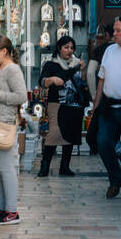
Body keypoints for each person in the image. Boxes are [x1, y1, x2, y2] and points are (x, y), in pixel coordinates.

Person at [91, 15, 121, 199]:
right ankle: (115, 179)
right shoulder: (110, 50)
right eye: (114, 30)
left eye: (118, 30)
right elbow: (101, 79)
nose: (114, 33)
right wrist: (96, 105)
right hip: (108, 105)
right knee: (103, 144)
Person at [0, 35, 27, 225]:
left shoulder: (12, 70)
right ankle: (2, 208)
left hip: (3, 123)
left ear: (4, 51)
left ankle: (12, 211)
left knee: (5, 168)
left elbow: (21, 96)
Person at [38, 35, 84, 177]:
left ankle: (65, 167)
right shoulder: (51, 64)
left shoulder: (78, 63)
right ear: (59, 48)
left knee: (70, 134)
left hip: (74, 104)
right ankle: (44, 167)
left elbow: (83, 83)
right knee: (54, 133)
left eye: (71, 48)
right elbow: (42, 81)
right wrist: (51, 79)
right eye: (66, 47)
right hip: (57, 103)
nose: (69, 50)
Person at [84, 24, 111, 156]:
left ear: (106, 35)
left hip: (104, 97)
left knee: (96, 131)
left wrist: (94, 96)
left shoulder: (100, 49)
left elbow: (90, 73)